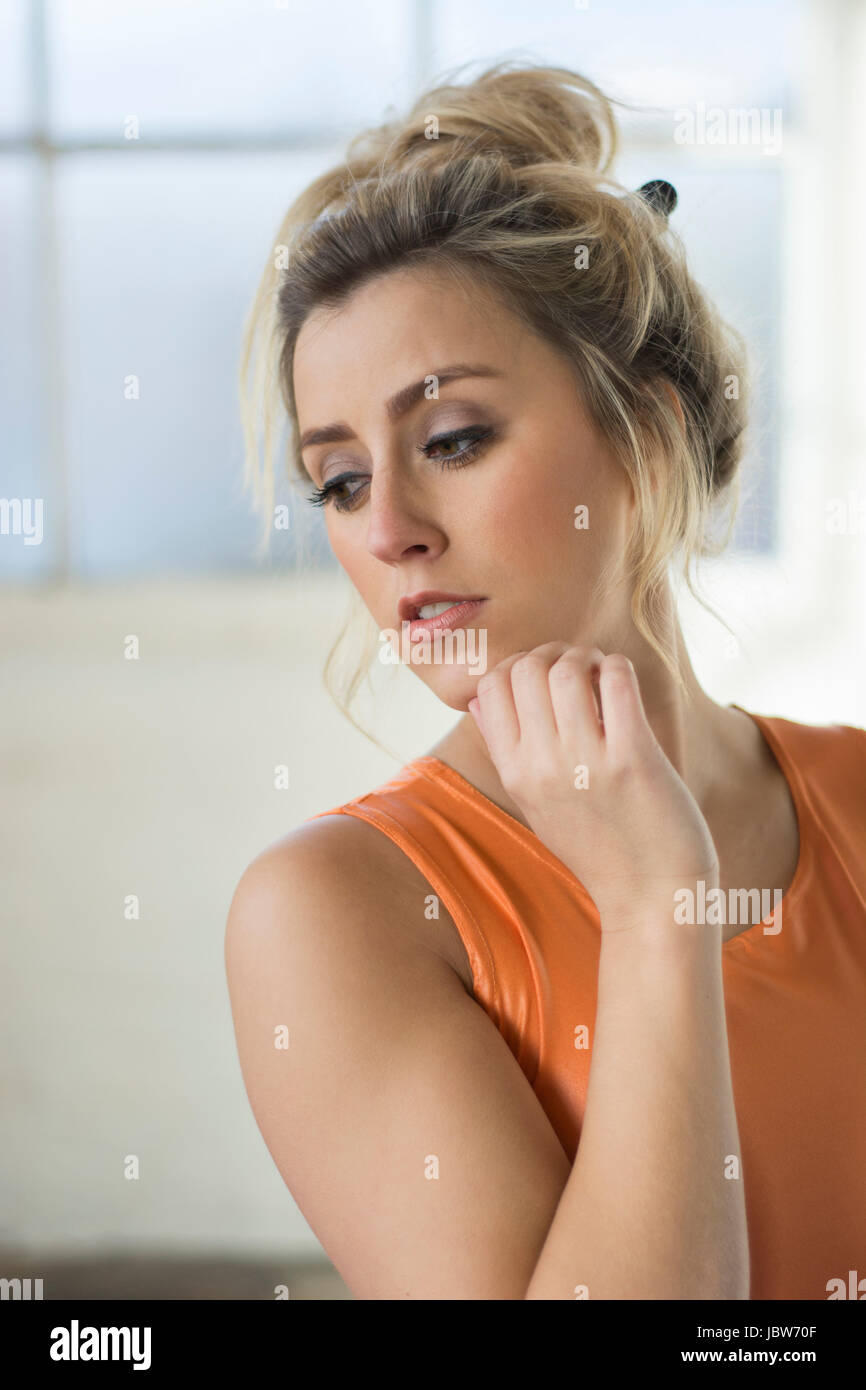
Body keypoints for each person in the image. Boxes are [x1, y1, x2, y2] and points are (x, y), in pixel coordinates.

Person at [224, 63, 866, 1300]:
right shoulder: (333, 913)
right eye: (340, 480)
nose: (389, 529)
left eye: (452, 439)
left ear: (650, 435)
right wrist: (649, 912)